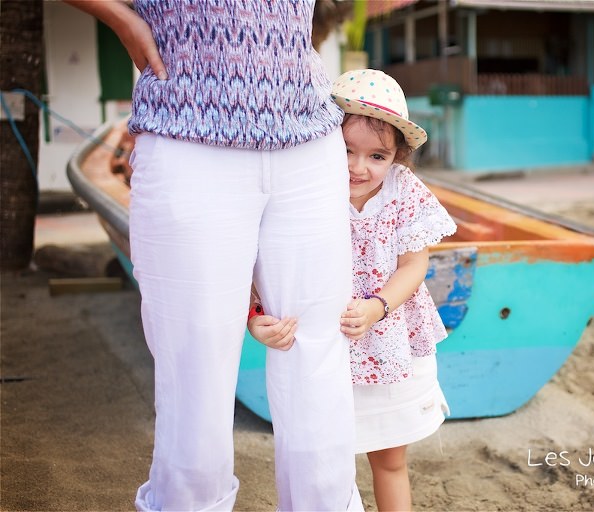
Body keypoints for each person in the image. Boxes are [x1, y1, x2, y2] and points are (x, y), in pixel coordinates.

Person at [62, 2, 362, 511]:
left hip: (308, 134)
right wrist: (119, 16)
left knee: (316, 347)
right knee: (195, 362)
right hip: (186, 125)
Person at [248, 69, 456, 511]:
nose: (358, 167)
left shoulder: (403, 192)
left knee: (390, 460)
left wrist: (379, 306)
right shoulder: (304, 192)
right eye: (345, 150)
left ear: (397, 157)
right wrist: (255, 319)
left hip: (386, 339)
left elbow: (415, 263)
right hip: (326, 350)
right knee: (327, 456)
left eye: (377, 156)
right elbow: (265, 261)